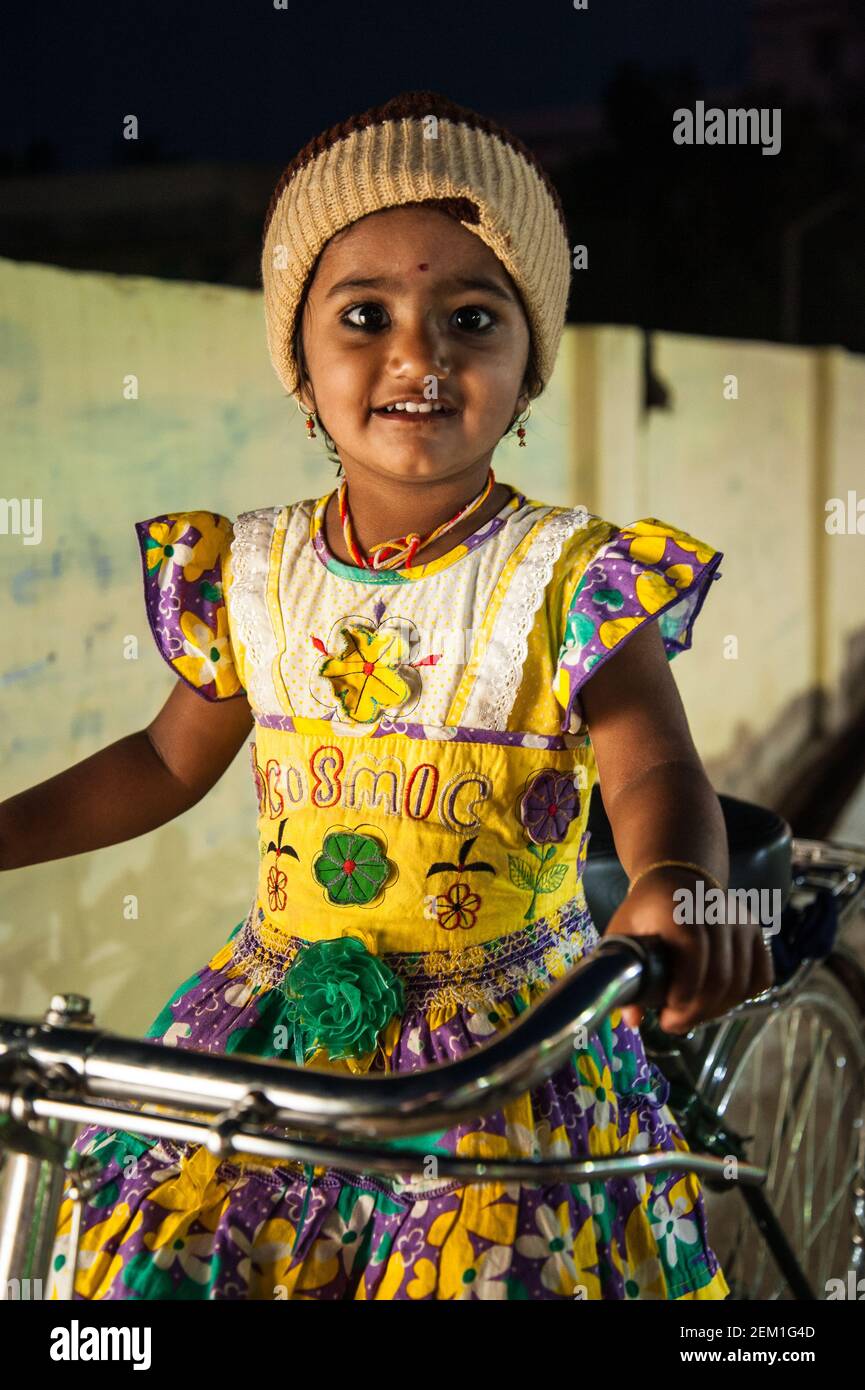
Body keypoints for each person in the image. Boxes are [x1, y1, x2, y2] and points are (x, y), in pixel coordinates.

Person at [1, 89, 773, 1301]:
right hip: (273, 1024)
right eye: (365, 316)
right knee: (130, 1261)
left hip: (506, 1049)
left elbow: (655, 770)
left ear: (526, 377)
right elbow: (161, 764)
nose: (420, 356)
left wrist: (679, 880)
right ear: (301, 368)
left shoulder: (569, 577)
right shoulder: (248, 573)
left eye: (474, 318)